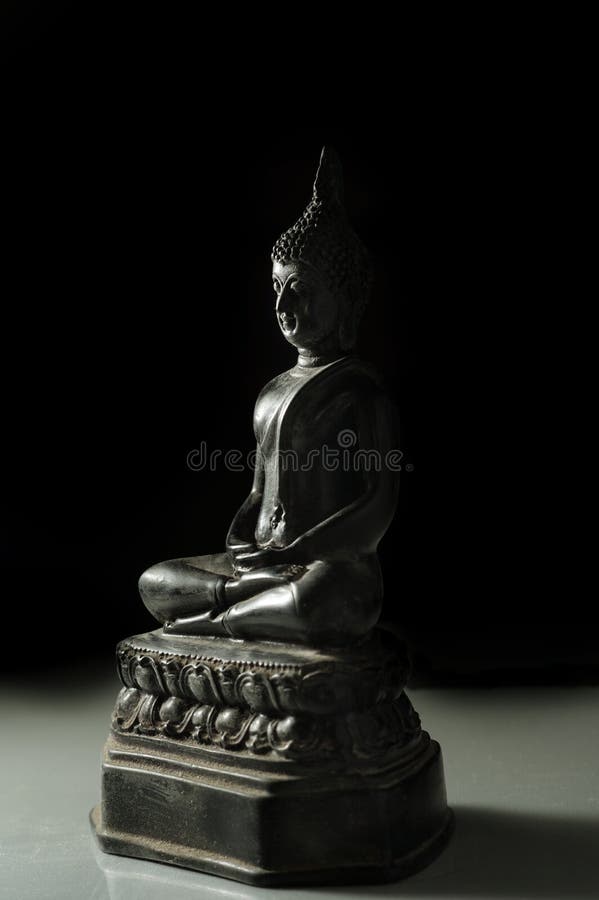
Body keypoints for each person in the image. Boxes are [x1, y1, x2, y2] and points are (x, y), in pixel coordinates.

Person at [139, 148, 399, 645]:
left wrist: (293, 552)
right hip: (262, 565)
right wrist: (242, 547)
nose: (282, 305)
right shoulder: (272, 391)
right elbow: (260, 491)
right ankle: (244, 599)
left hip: (327, 568)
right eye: (277, 288)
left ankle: (220, 620)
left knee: (319, 603)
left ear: (343, 299)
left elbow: (378, 504)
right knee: (156, 581)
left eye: (299, 289)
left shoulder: (360, 390)